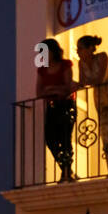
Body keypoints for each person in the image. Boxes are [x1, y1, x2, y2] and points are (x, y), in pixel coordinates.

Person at [76, 35, 108, 175]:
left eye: (80, 48)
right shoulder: (81, 63)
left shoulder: (102, 57)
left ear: (90, 49)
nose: (78, 51)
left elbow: (100, 79)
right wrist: (87, 82)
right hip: (100, 99)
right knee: (106, 134)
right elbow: (82, 82)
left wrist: (88, 82)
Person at [36, 38, 77, 183]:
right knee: (50, 139)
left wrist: (51, 89)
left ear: (53, 51)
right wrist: (55, 90)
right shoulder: (42, 70)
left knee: (65, 138)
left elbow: (68, 87)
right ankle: (66, 169)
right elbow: (39, 92)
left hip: (66, 105)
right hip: (52, 107)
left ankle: (66, 173)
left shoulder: (65, 65)